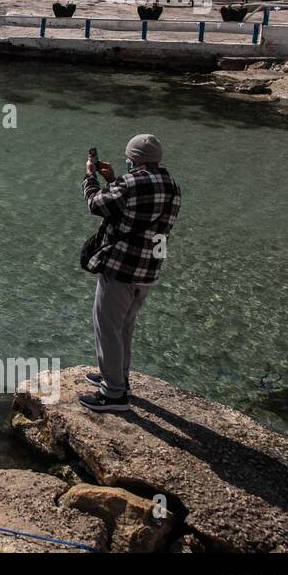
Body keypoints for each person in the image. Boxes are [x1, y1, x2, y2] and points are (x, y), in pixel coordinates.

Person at [79, 134, 181, 412]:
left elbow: (96, 205)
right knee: (124, 327)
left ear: (132, 159)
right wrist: (113, 180)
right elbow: (137, 210)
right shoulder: (171, 185)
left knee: (107, 328)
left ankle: (113, 395)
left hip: (121, 267)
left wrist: (91, 178)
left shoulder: (131, 182)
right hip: (148, 269)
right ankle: (118, 379)